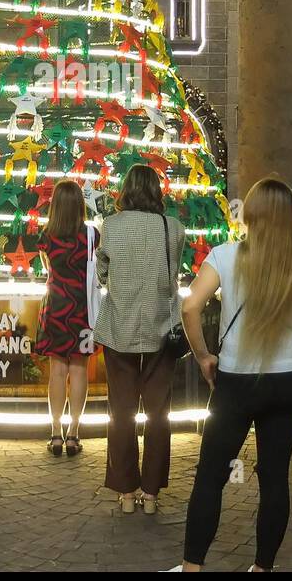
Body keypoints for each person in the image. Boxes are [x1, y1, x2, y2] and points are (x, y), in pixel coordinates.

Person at [175, 178, 292, 571]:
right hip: (285, 382)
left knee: (211, 475)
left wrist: (204, 355)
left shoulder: (223, 256)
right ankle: (262, 567)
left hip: (235, 381)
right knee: (274, 478)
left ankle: (192, 567)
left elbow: (190, 309)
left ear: (248, 213)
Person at [94, 165, 186, 514]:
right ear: (156, 191)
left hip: (120, 326)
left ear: (126, 189)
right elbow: (173, 272)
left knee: (121, 411)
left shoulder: (111, 226)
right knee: (159, 413)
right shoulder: (173, 227)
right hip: (162, 327)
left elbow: (103, 271)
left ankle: (127, 492)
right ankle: (151, 495)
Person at [36, 180, 93, 456]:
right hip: (82, 308)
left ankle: (55, 433)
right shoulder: (92, 235)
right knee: (79, 370)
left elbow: (49, 270)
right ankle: (74, 434)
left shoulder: (46, 236)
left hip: (56, 304)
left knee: (57, 371)